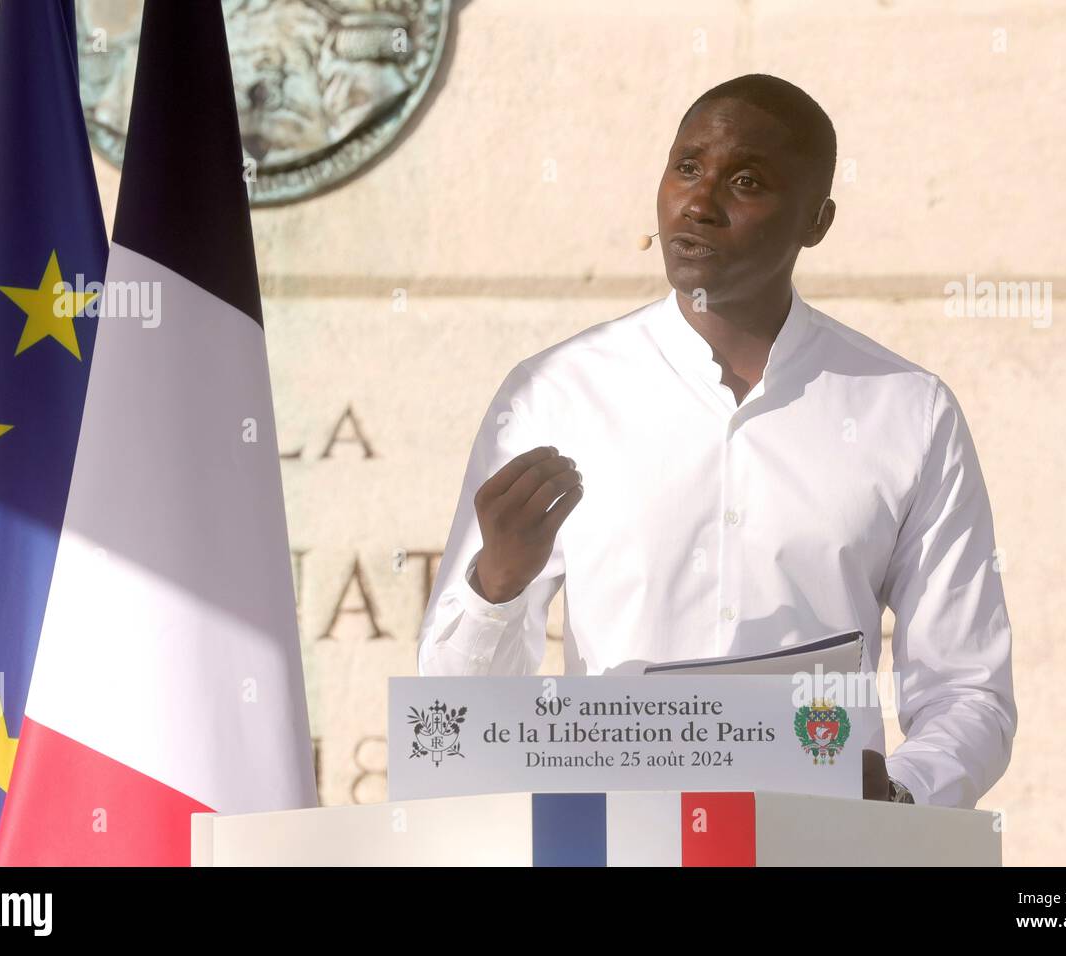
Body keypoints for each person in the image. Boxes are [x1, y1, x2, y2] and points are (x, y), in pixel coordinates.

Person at [416, 74, 1017, 809]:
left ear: (816, 221)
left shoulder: (908, 409)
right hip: (615, 839)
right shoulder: (555, 393)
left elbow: (968, 689)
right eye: (687, 168)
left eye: (746, 181)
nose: (698, 204)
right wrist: (498, 585)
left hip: (824, 844)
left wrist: (902, 796)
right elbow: (453, 720)